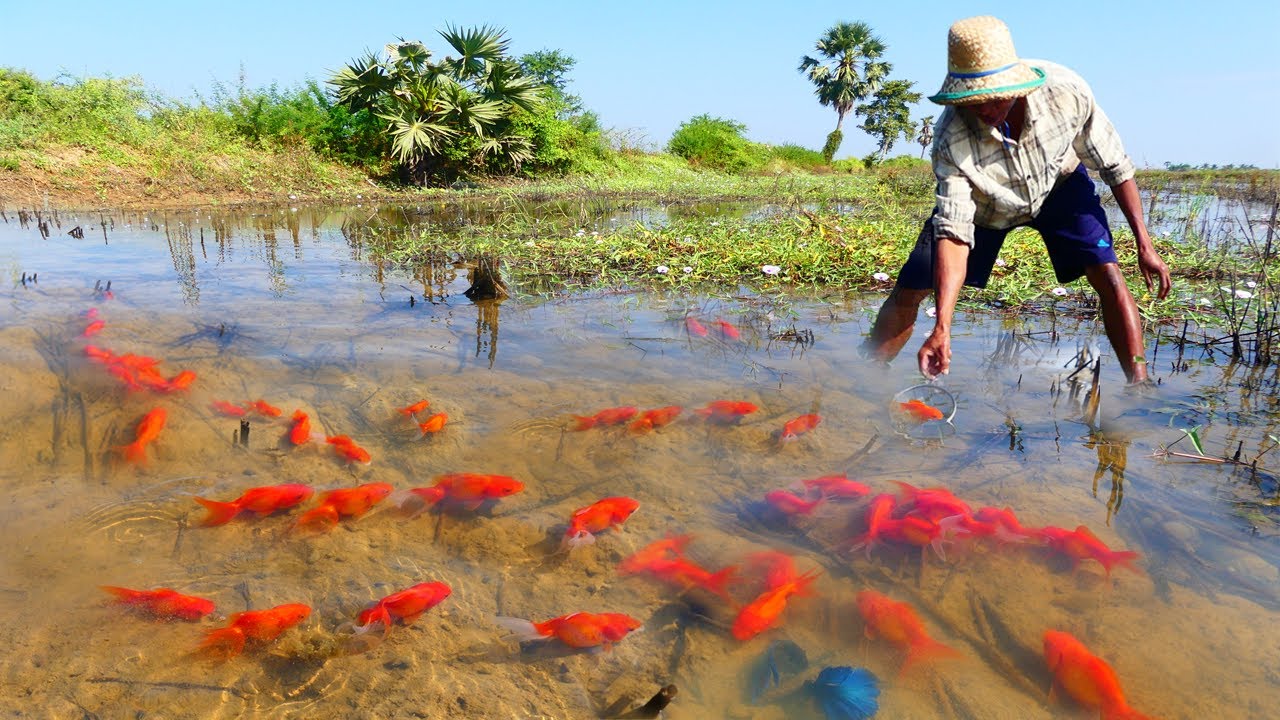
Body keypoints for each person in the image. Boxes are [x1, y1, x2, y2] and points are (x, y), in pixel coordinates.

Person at [865, 16, 1171, 384]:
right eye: (973, 101)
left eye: (994, 98)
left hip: (1059, 185)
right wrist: (942, 326)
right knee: (913, 285)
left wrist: (1144, 243)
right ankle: (864, 375)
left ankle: (1139, 384)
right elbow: (954, 232)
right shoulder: (951, 137)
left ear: (1017, 84)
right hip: (984, 206)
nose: (984, 110)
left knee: (1107, 272)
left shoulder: (1067, 93)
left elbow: (1115, 166)